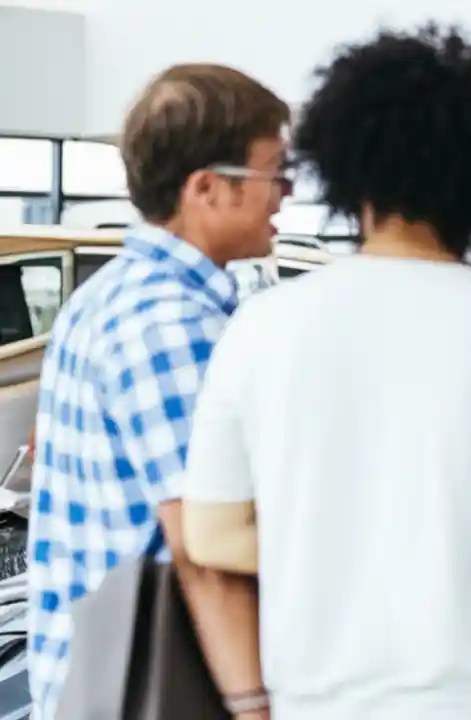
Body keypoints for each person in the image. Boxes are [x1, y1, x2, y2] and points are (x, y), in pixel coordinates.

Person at [178, 23, 471, 720]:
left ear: (348, 166)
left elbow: (212, 536)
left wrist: (338, 532)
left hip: (321, 697)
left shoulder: (265, 325)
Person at [25, 63, 293, 720]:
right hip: (163, 684)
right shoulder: (172, 325)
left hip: (102, 675)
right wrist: (255, 706)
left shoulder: (105, 298)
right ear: (206, 187)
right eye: (274, 173)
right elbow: (205, 549)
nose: (285, 194)